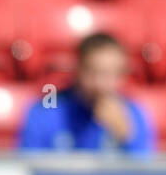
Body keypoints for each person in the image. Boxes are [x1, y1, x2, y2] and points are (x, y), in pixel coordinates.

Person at [18, 33, 156, 154]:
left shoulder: (133, 116)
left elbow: (145, 174)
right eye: (92, 73)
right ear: (77, 70)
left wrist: (126, 137)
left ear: (122, 76)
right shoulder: (44, 112)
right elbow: (28, 169)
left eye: (109, 74)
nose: (99, 84)